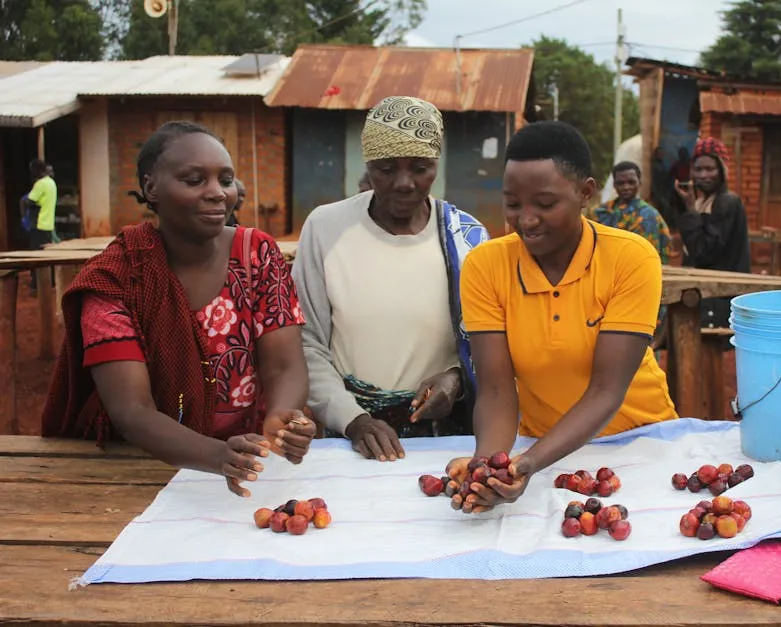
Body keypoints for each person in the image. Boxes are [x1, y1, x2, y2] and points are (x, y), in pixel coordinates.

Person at [41, 121, 315, 498]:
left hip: (256, 463)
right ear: (151, 187)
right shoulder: (116, 279)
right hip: (146, 468)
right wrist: (216, 454)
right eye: (194, 180)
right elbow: (132, 410)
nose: (217, 193)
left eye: (226, 179)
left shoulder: (258, 254)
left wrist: (282, 417)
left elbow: (285, 365)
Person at [448, 121, 678, 514]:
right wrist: (490, 468)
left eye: (545, 203)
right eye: (513, 203)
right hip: (544, 448)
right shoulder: (485, 266)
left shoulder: (630, 258)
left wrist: (528, 464)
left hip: (641, 443)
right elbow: (498, 390)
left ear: (585, 193)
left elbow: (606, 390)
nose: (527, 219)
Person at [292, 96, 489, 462]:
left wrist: (456, 380)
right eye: (386, 169)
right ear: (367, 165)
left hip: (444, 438)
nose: (404, 183)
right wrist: (354, 420)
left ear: (436, 164)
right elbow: (307, 342)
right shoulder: (326, 228)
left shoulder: (467, 238)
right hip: (351, 436)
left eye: (420, 167)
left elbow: (489, 345)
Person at [588, 161, 672, 348]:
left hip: (638, 286)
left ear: (639, 183)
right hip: (601, 288)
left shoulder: (650, 216)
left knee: (639, 342)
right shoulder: (599, 214)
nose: (626, 187)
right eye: (621, 183)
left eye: (631, 182)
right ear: (614, 184)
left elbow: (662, 253)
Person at [674, 136, 751, 329]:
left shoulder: (726, 202)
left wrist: (690, 212)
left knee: (708, 354)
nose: (703, 175)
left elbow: (704, 251)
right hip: (705, 294)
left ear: (722, 171)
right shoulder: (703, 201)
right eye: (698, 169)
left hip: (717, 297)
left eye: (710, 169)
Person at [25, 158, 57, 289]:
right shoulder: (51, 183)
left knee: (36, 255)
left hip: (39, 224)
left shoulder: (40, 184)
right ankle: (52, 281)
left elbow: (29, 200)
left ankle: (36, 284)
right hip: (48, 224)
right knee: (48, 255)